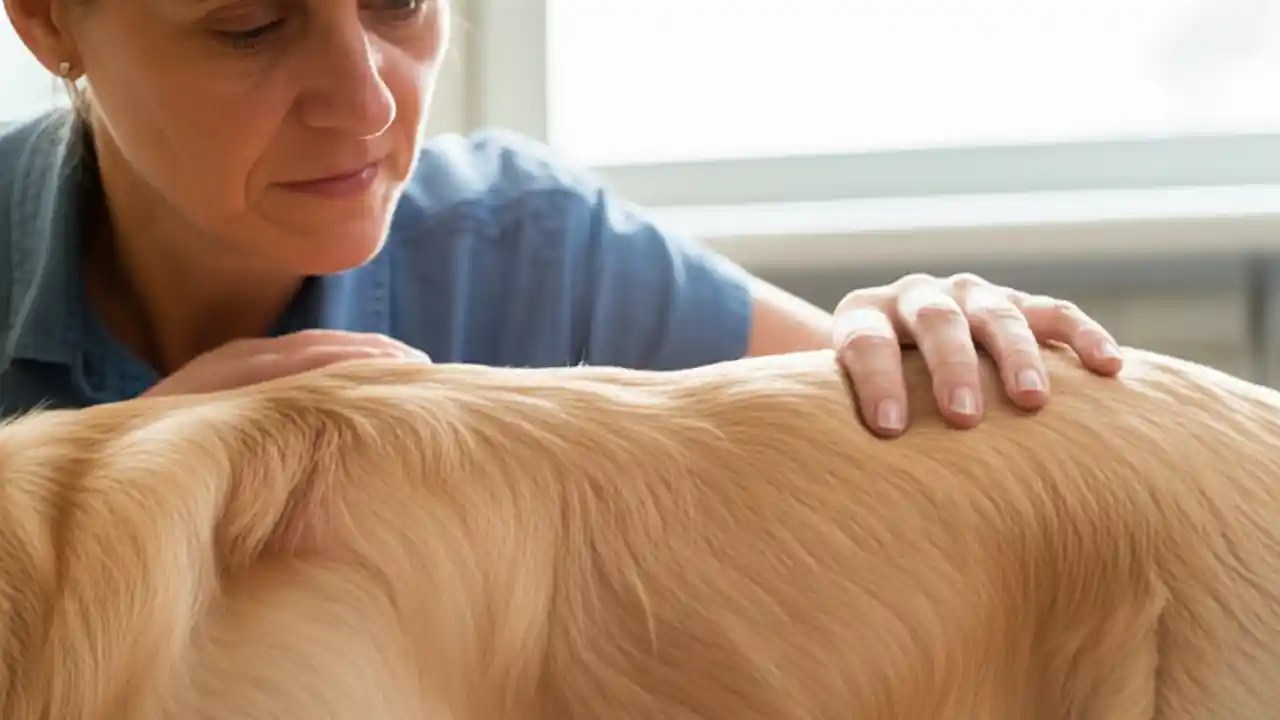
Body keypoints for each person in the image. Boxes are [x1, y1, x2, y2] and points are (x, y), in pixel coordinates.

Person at [0, 0, 1122, 436]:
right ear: (49, 20)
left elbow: (892, 408)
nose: (371, 100)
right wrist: (86, 478)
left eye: (397, 1)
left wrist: (916, 330)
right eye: (249, 22)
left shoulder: (535, 252)